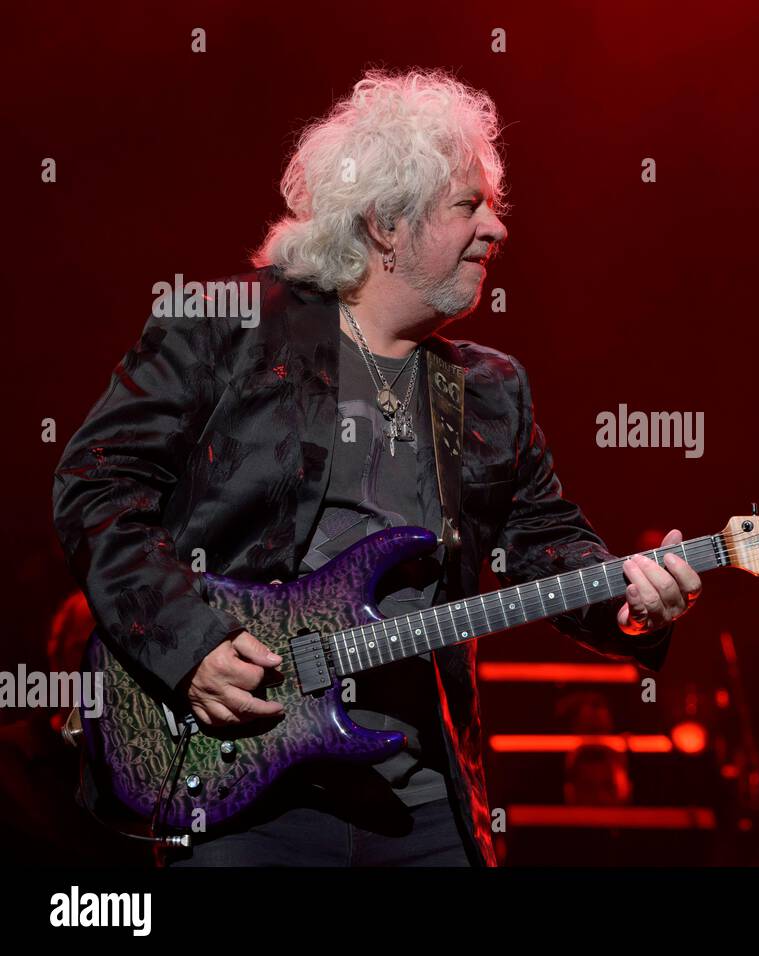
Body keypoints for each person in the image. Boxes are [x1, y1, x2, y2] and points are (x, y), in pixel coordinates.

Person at [52, 68, 701, 866]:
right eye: (470, 206)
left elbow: (544, 541)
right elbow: (96, 484)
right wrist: (189, 646)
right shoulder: (227, 330)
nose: (496, 230)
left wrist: (632, 604)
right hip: (244, 792)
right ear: (388, 223)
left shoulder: (490, 389)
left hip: (423, 801)